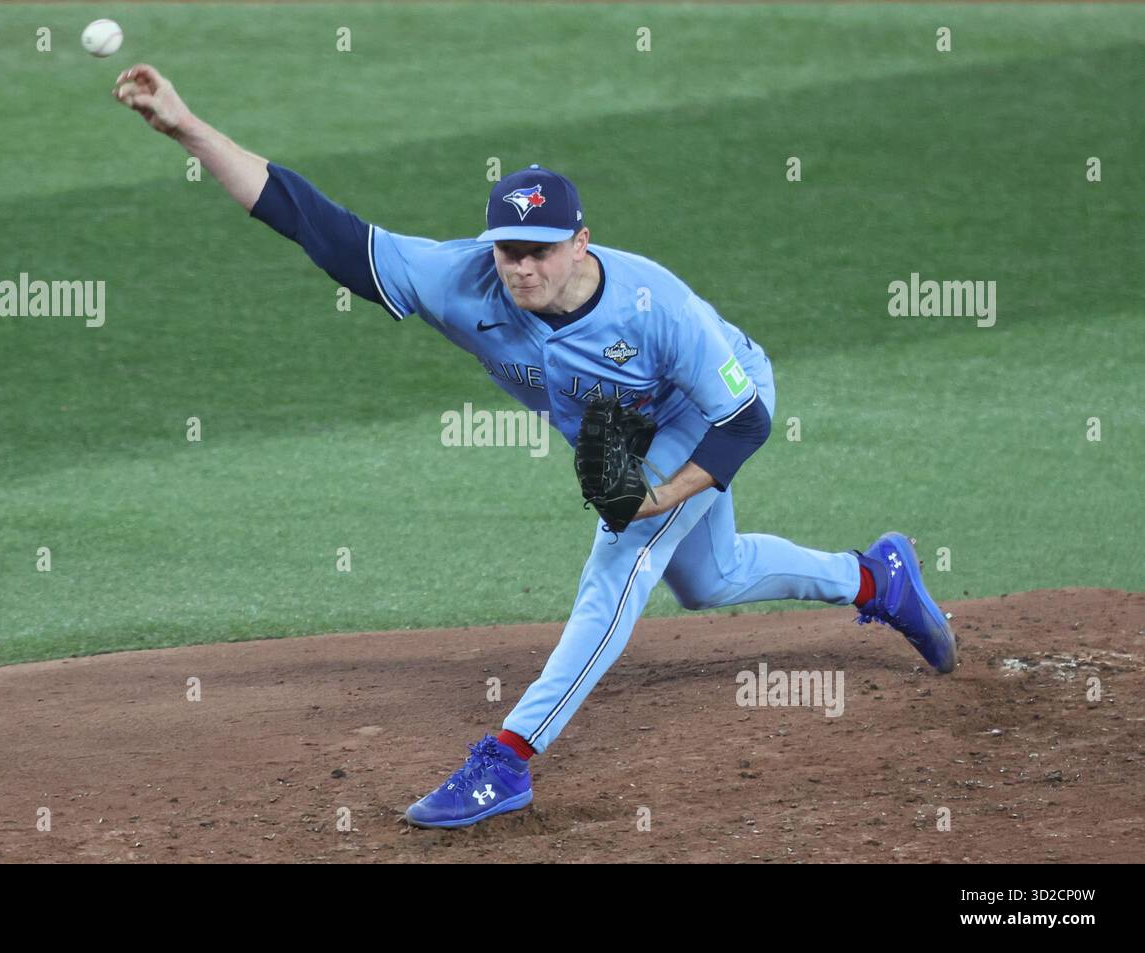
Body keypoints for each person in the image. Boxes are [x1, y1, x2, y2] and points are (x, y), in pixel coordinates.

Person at [113, 65, 958, 830]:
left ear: (580, 242)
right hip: (620, 437)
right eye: (508, 251)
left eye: (539, 252)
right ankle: (877, 576)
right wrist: (188, 127)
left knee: (619, 563)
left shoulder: (655, 308)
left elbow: (744, 423)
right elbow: (312, 222)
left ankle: (508, 760)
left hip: (706, 409)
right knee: (710, 578)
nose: (521, 269)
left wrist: (655, 498)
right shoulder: (463, 281)